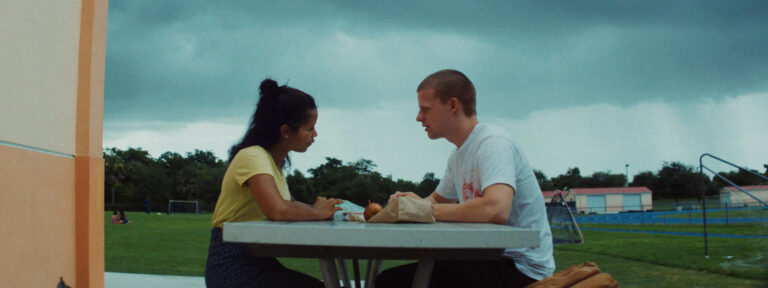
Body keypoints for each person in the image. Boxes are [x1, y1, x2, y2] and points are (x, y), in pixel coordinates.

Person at [375, 70, 555, 288]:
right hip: (490, 260)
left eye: (425, 109)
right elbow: (439, 200)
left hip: (519, 268)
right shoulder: (459, 154)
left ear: (453, 106)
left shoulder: (493, 143)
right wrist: (412, 204)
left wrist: (423, 210)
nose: (419, 117)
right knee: (392, 279)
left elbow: (496, 209)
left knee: (390, 282)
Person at [205, 78, 342, 288]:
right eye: (310, 128)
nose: (315, 134)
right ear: (285, 131)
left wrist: (318, 209)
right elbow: (277, 209)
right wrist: (317, 212)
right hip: (233, 266)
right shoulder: (252, 156)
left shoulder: (272, 164)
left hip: (258, 261)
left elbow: (290, 205)